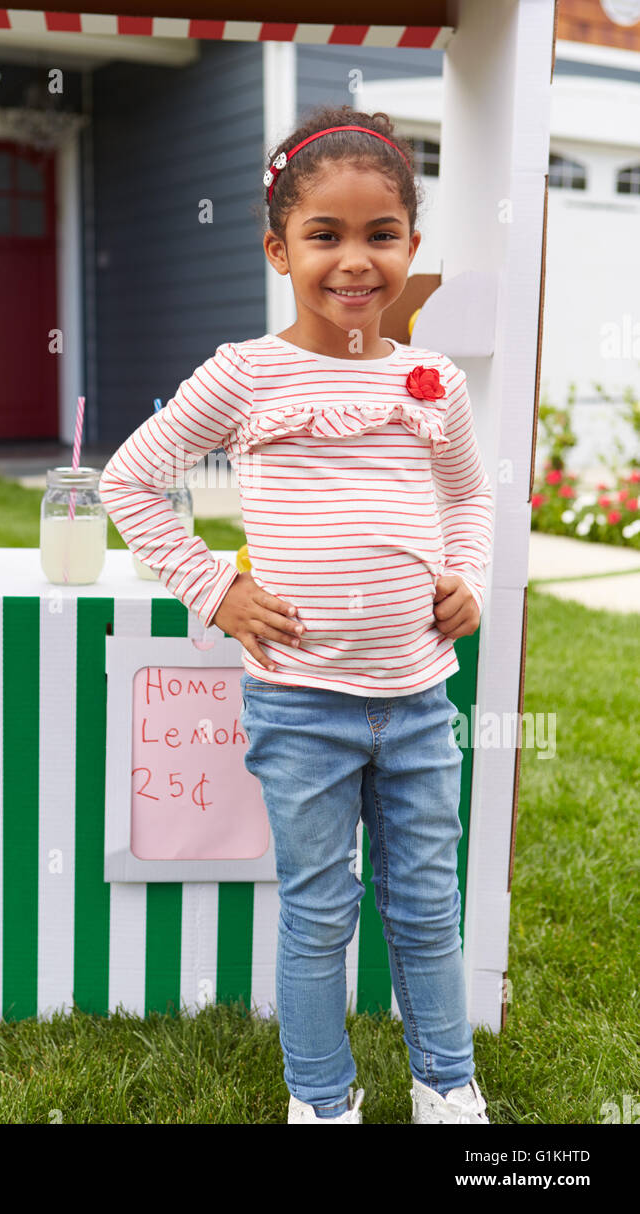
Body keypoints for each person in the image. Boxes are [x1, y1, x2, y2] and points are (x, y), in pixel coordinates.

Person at [98, 106, 494, 1126]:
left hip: (415, 700)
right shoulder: (244, 373)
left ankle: (445, 1083)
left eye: (380, 234)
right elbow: (131, 482)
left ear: (411, 243)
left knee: (423, 908)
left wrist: (466, 573)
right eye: (324, 234)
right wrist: (212, 586)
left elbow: (471, 495)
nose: (353, 261)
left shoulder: (430, 382)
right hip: (299, 706)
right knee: (317, 912)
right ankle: (320, 1099)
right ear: (278, 246)